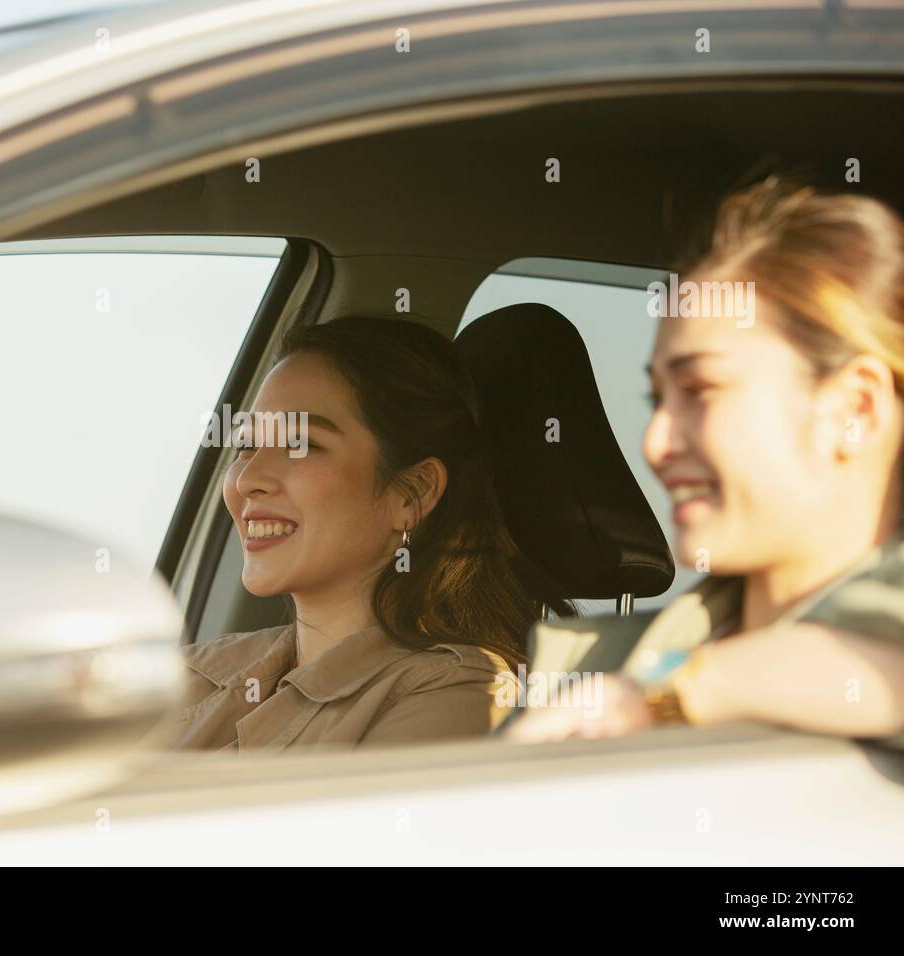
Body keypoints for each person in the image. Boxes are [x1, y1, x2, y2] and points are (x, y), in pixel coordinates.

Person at [506, 178, 904, 746]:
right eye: (656, 399)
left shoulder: (625, 690)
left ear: (855, 408)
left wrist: (669, 694)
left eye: (701, 389)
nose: (655, 441)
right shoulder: (583, 666)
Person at [164, 316, 570, 753]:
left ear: (412, 494)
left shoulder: (460, 697)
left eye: (301, 444)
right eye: (247, 445)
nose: (248, 479)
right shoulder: (197, 673)